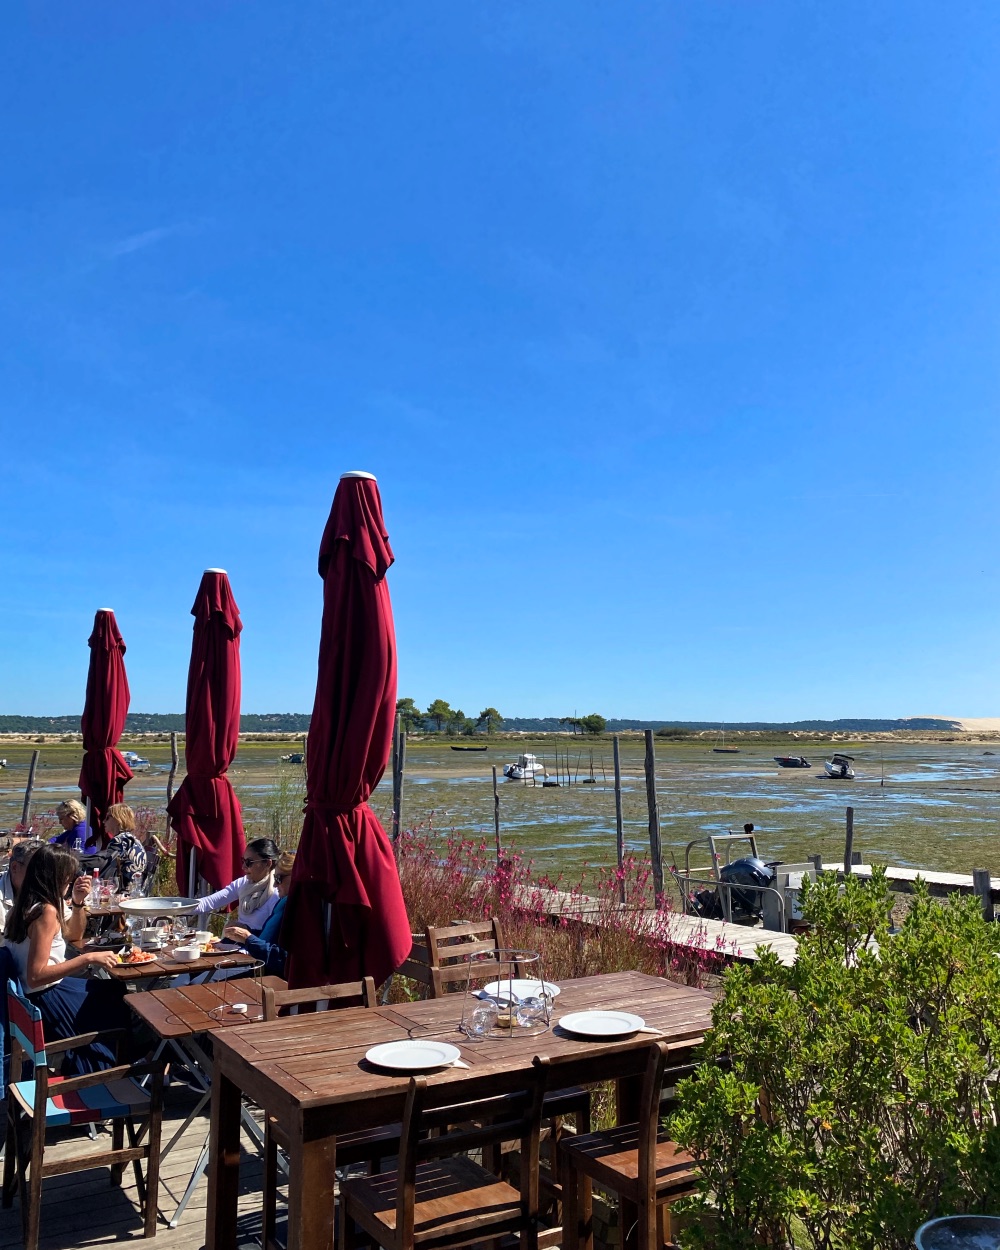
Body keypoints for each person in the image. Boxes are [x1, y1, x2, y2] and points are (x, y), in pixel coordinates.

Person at [3, 845, 129, 1073]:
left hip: (30, 997)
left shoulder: (24, 903)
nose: (69, 883)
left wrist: (77, 901)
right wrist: (88, 958)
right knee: (121, 1003)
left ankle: (92, 1064)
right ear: (55, 878)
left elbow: (72, 935)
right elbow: (36, 976)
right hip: (45, 997)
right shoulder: (46, 912)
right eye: (68, 879)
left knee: (114, 992)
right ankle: (106, 1070)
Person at [223, 850, 295, 978]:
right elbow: (270, 939)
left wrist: (248, 938)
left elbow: (281, 959)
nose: (275, 884)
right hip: (261, 970)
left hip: (273, 980)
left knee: (208, 988)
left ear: (296, 876)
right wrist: (247, 932)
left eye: (279, 878)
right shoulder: (283, 903)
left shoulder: (299, 911)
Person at [190, 837, 281, 931]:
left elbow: (272, 936)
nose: (243, 867)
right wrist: (179, 908)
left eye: (249, 862)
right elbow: (209, 902)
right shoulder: (242, 883)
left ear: (268, 863)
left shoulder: (277, 893)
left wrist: (245, 930)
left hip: (253, 944)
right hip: (236, 942)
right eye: (243, 861)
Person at [0, 838, 44, 932]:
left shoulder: (45, 888)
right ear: (15, 867)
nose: (42, 875)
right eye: (35, 869)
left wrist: (77, 905)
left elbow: (73, 933)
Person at [104, 803, 147, 895]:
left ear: (117, 819)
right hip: (136, 890)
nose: (104, 821)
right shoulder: (133, 839)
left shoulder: (118, 841)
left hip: (124, 893)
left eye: (107, 817)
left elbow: (105, 866)